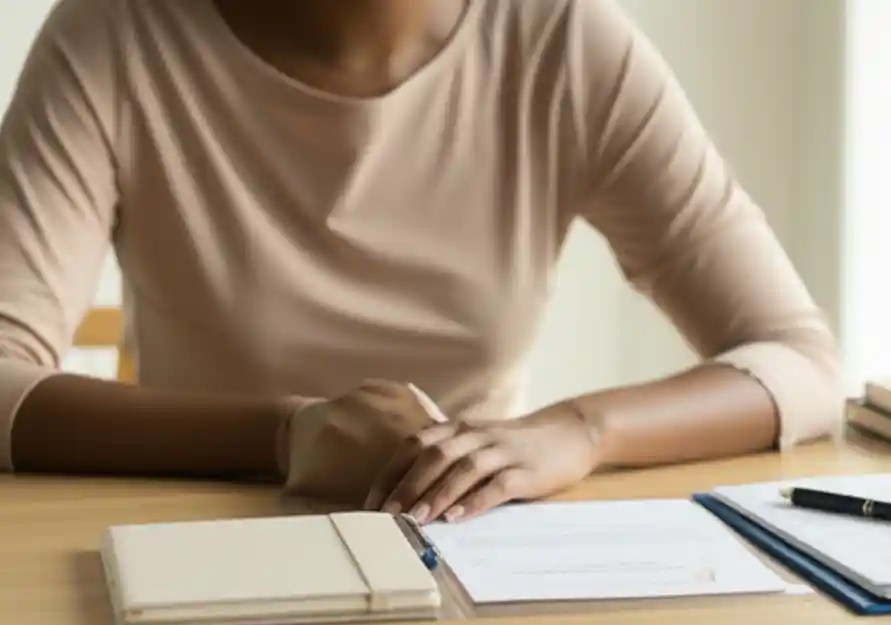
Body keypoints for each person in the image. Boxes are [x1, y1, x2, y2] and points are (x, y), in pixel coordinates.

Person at [0, 0, 840, 523]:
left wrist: (576, 432)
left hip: (470, 550)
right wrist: (288, 433)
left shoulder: (563, 41)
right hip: (199, 541)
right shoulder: (113, 32)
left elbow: (798, 363)